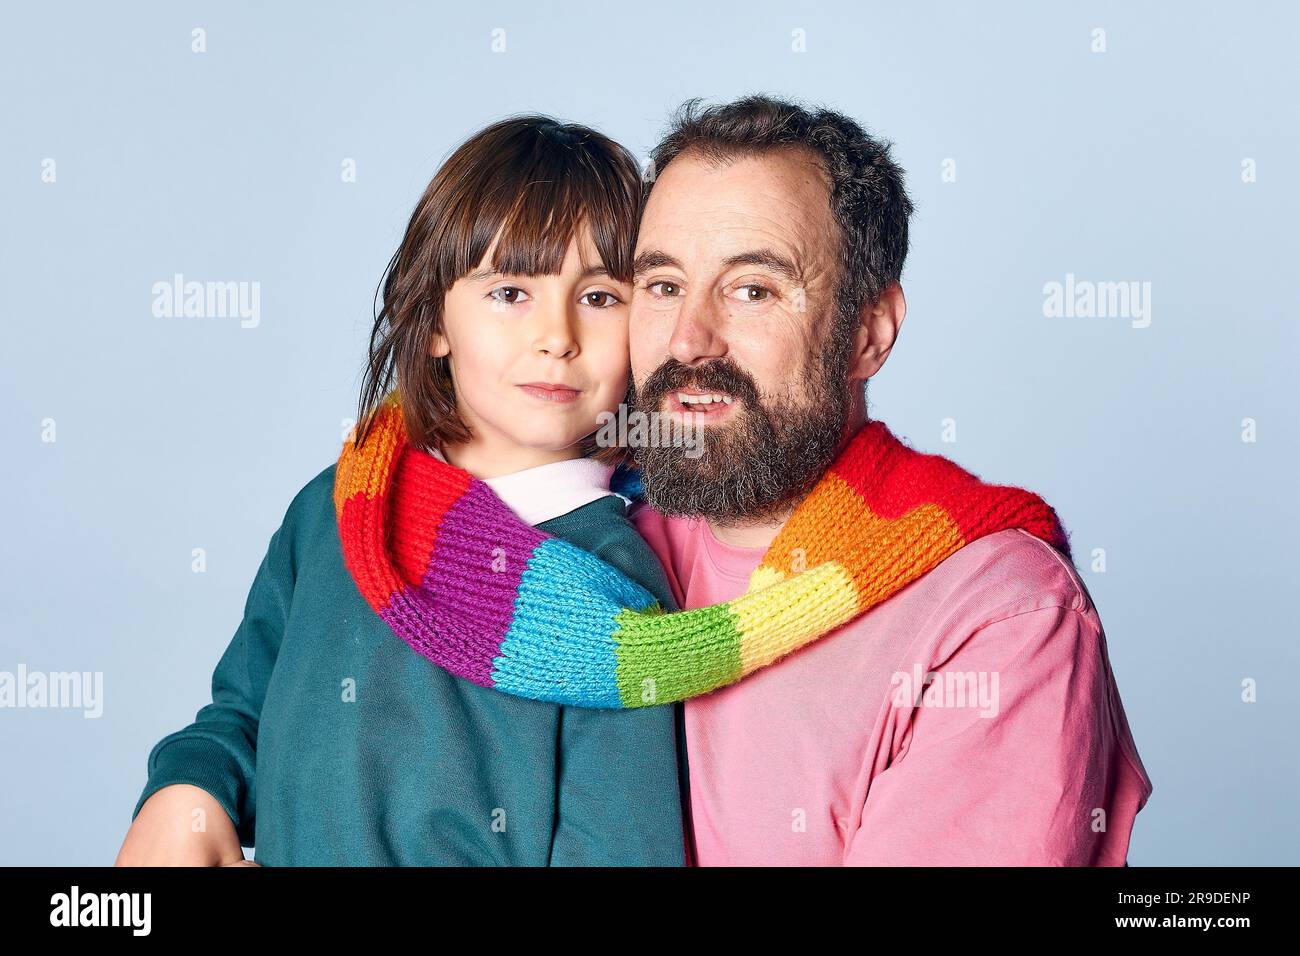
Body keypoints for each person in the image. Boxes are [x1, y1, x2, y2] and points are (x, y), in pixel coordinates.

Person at [115, 116, 689, 866]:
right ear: (434, 325)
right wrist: (185, 794)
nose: (556, 335)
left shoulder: (616, 582)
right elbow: (239, 719)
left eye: (601, 297)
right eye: (511, 291)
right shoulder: (336, 511)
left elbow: (622, 849)